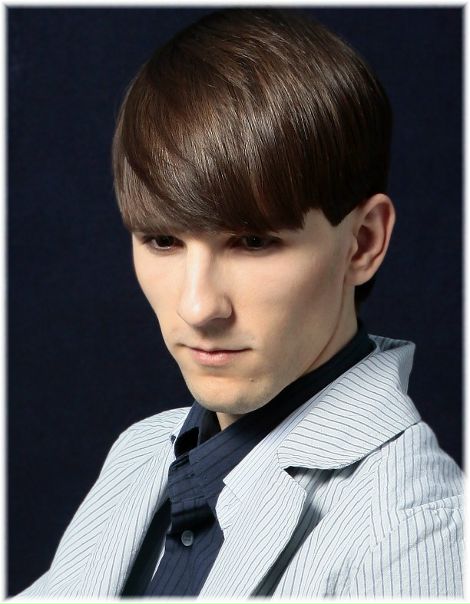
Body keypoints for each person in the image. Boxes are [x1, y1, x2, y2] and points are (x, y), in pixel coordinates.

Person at [17, 8, 463, 598]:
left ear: (363, 242)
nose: (198, 307)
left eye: (252, 242)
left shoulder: (414, 530)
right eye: (162, 240)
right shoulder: (141, 453)